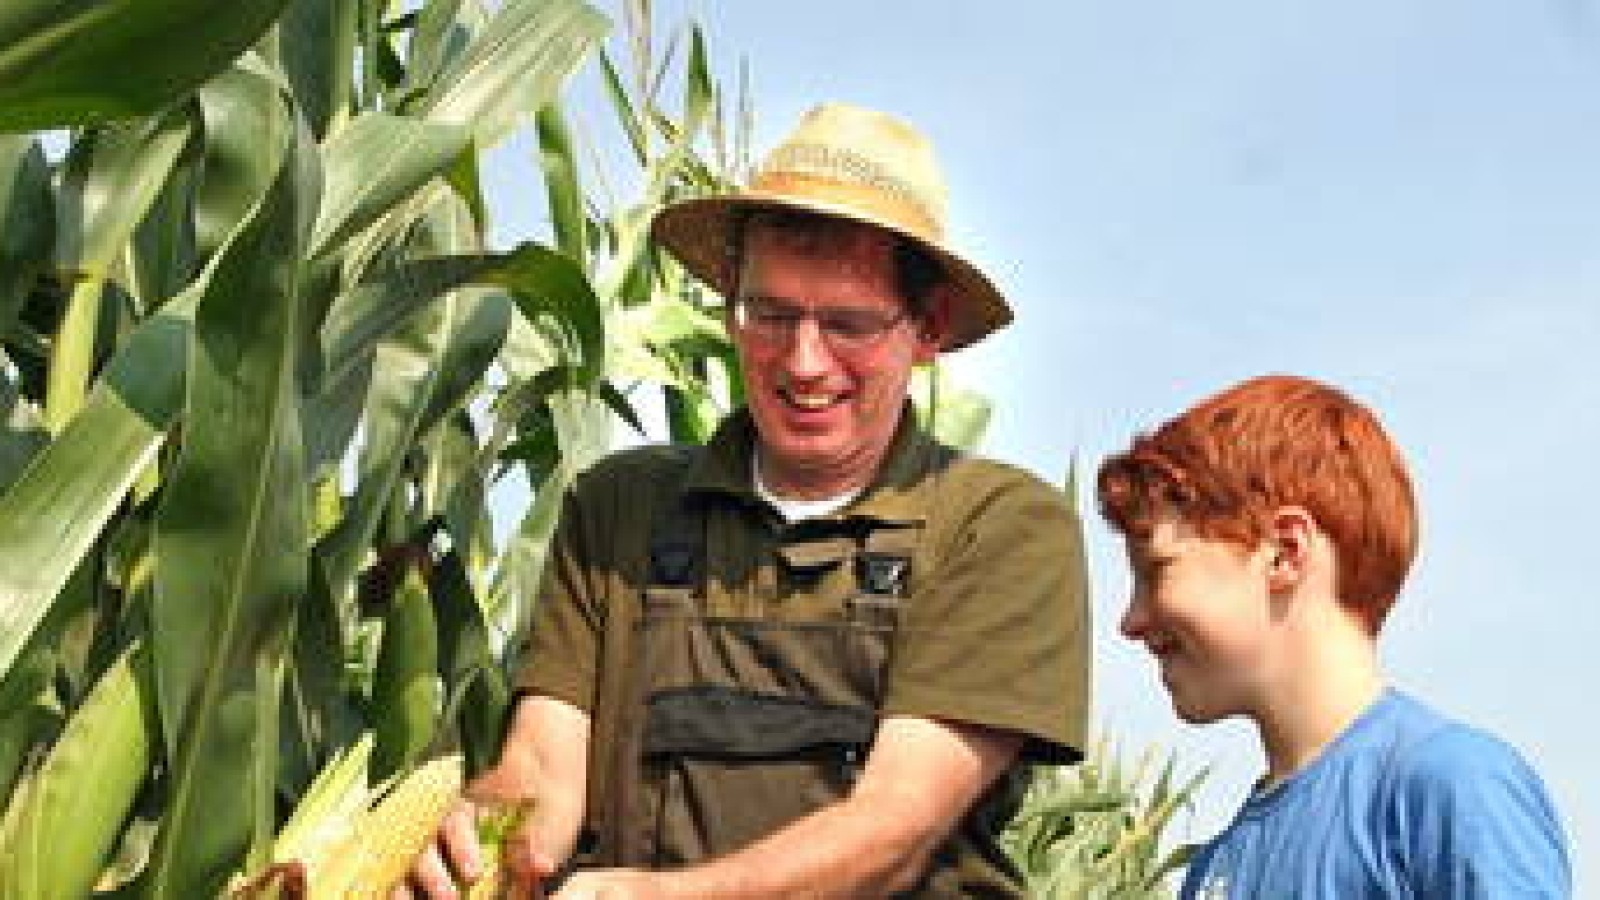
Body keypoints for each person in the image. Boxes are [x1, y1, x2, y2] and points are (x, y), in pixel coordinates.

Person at [402, 103, 1090, 899]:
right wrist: (471, 834)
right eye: (770, 314)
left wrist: (659, 897)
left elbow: (897, 824)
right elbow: (543, 779)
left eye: (848, 325)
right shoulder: (620, 509)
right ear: (729, 299)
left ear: (927, 327)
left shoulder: (996, 526)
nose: (803, 361)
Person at [1095, 374, 1571, 898]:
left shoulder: (1453, 788)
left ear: (1285, 552)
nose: (1131, 620)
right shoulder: (1214, 868)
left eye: (1158, 571)